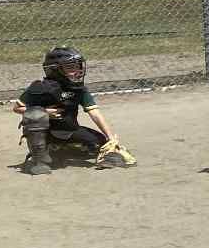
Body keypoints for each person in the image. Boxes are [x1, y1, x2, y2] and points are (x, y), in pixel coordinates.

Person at [11, 46, 133, 175]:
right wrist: (45, 111)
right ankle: (39, 159)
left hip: (70, 130)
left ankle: (60, 148)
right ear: (54, 70)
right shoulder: (40, 88)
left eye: (78, 66)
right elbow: (17, 108)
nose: (77, 70)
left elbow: (95, 113)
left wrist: (110, 138)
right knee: (36, 115)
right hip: (46, 134)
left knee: (100, 144)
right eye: (70, 67)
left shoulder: (78, 89)